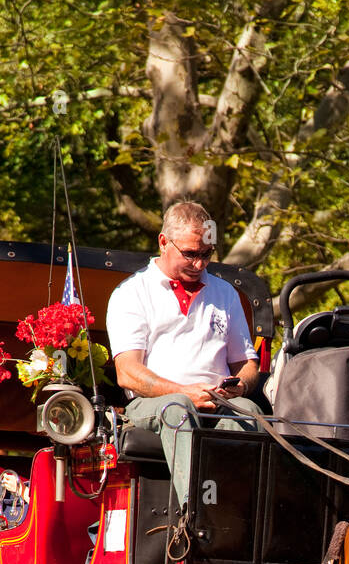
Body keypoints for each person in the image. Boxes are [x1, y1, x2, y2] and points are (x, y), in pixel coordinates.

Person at [105, 200, 262, 517]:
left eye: (207, 254)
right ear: (163, 242)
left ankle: (247, 516)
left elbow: (247, 364)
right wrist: (183, 391)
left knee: (251, 412)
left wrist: (240, 386)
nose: (200, 264)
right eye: (190, 254)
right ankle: (198, 515)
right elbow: (127, 373)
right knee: (179, 408)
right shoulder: (132, 293)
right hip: (154, 404)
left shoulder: (226, 293)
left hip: (217, 401)